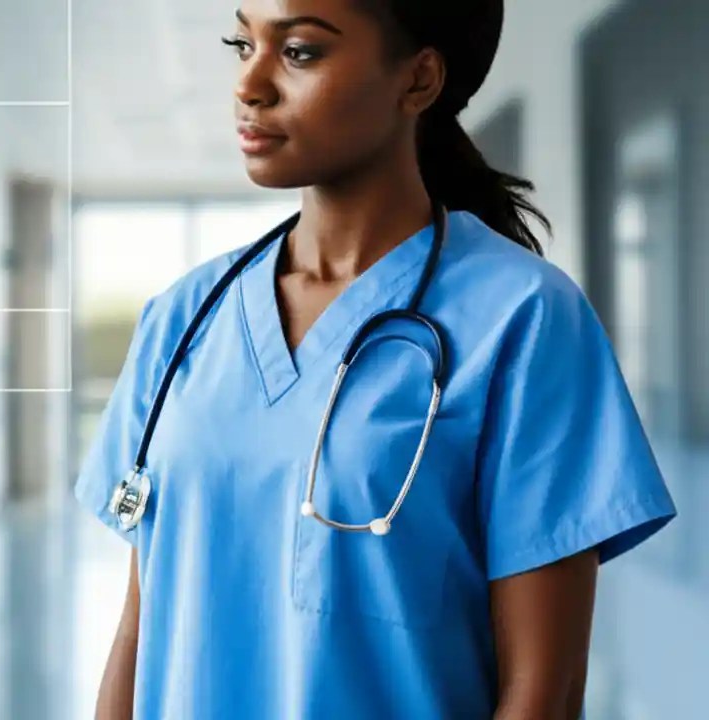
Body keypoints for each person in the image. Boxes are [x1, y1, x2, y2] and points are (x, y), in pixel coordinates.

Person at [72, 1, 678, 718]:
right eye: (244, 44)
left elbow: (542, 692)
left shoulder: (523, 318)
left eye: (298, 52)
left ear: (418, 80)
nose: (250, 84)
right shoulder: (182, 316)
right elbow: (139, 632)